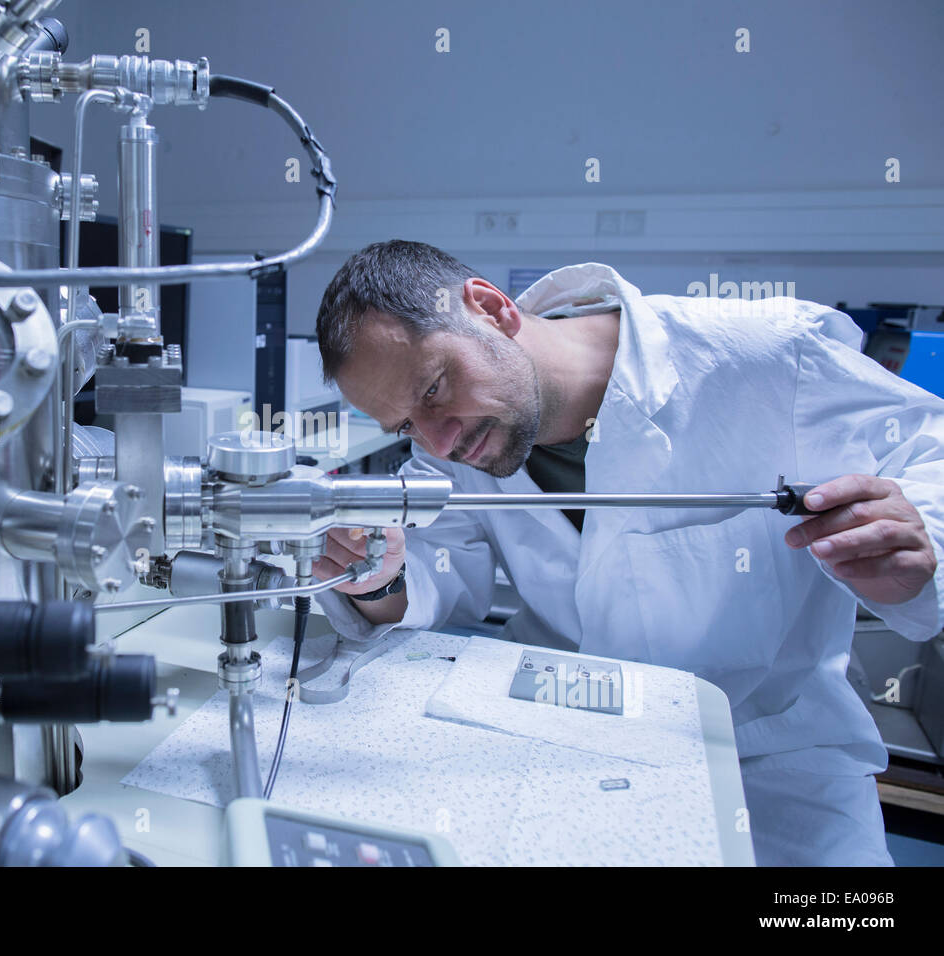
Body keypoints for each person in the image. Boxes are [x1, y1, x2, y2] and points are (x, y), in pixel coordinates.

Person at [310, 239, 944, 866]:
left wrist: (923, 542)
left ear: (489, 308)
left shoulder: (765, 353)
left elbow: (929, 448)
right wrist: (375, 575)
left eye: (433, 390)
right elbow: (439, 573)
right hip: (562, 739)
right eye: (407, 427)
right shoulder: (453, 447)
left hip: (775, 757)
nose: (439, 442)